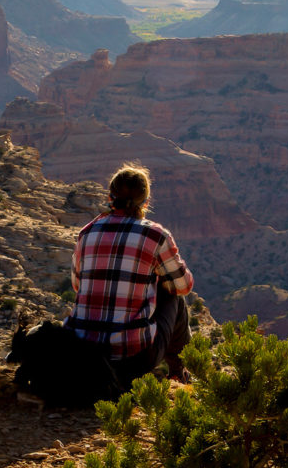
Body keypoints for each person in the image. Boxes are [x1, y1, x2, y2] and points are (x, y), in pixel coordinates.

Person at [66, 164, 193, 383]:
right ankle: (179, 373)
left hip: (82, 351)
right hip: (133, 356)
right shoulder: (156, 235)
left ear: (109, 197)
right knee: (173, 294)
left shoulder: (86, 233)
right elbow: (184, 285)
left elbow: (77, 285)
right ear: (146, 201)